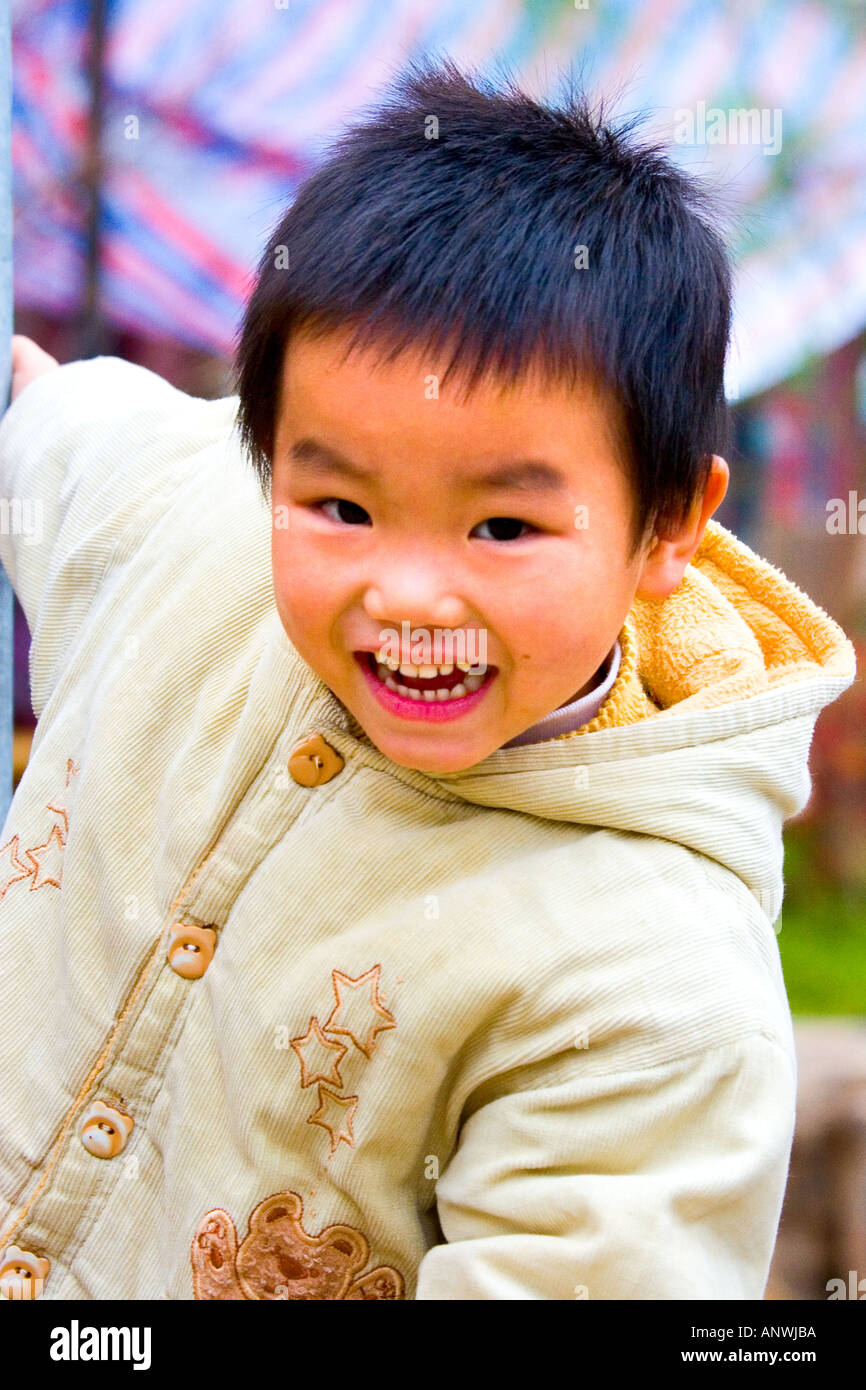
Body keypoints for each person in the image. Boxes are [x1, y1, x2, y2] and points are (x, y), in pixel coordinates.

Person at [0, 57, 856, 1302]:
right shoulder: (186, 520)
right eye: (339, 503)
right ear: (264, 459)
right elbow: (42, 425)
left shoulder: (649, 993)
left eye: (500, 530)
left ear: (667, 523)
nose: (403, 594)